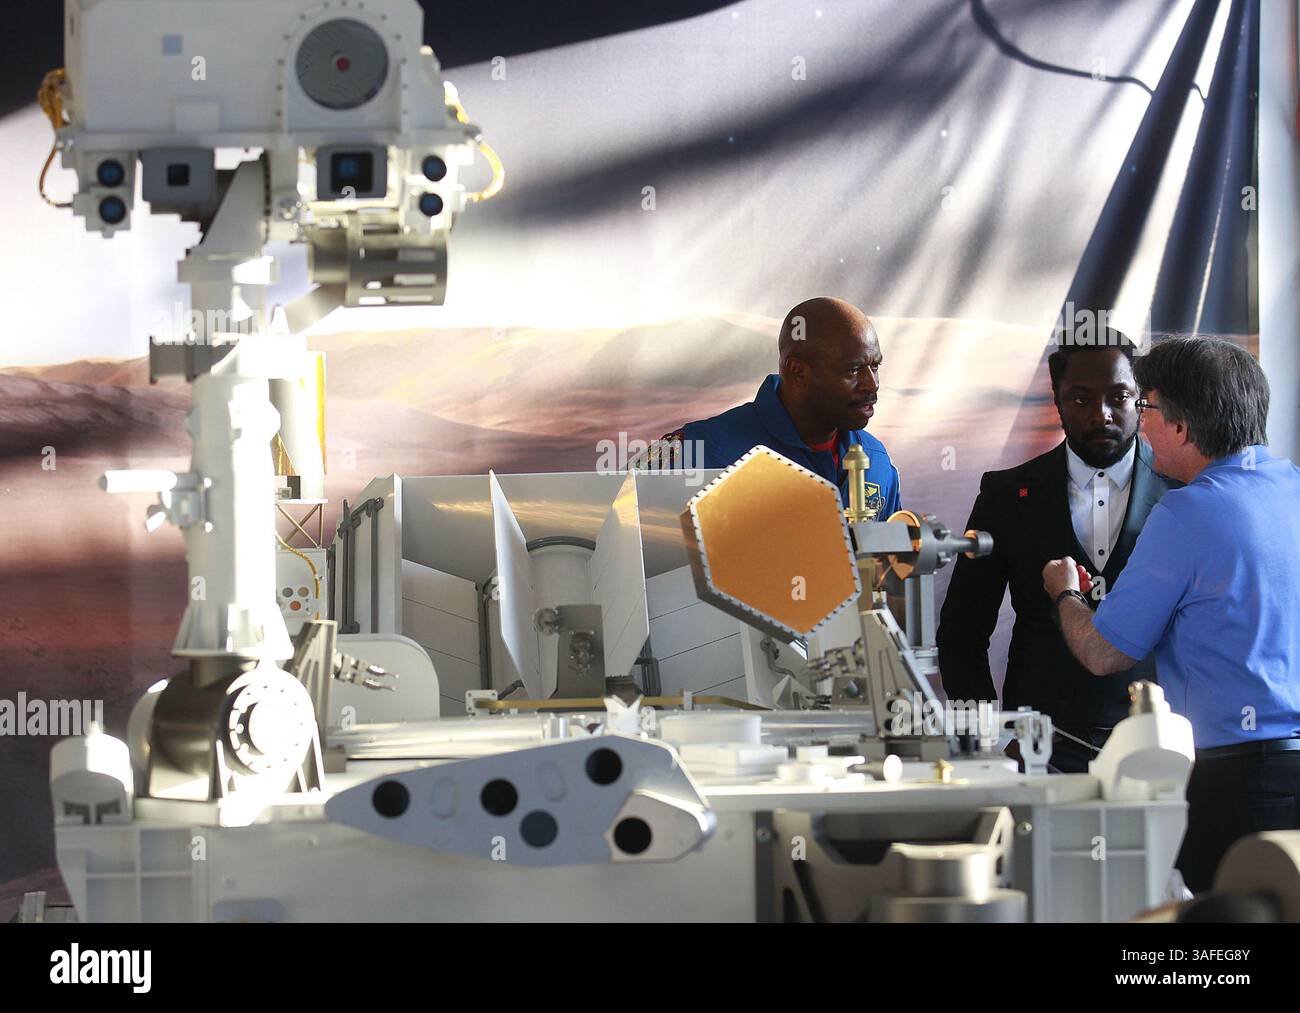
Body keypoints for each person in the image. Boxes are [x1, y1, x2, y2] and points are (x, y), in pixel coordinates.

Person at [1042, 336, 1300, 891]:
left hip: (1238, 780)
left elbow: (1102, 652)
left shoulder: (1186, 512)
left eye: (1146, 405)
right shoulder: (1294, 490)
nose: (1139, 419)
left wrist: (1065, 593)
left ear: (1182, 427)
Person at [937, 327, 1179, 772]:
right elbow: (961, 631)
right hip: (1035, 749)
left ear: (1141, 398)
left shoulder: (1182, 493)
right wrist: (992, 735)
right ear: (1057, 399)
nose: (1101, 414)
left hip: (1158, 747)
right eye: (1082, 399)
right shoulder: (1006, 494)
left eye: (1119, 397)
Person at [656, 297, 900, 513]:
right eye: (853, 370)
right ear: (798, 372)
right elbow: (621, 529)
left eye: (875, 366)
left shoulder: (876, 460)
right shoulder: (698, 451)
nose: (871, 384)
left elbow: (891, 563)